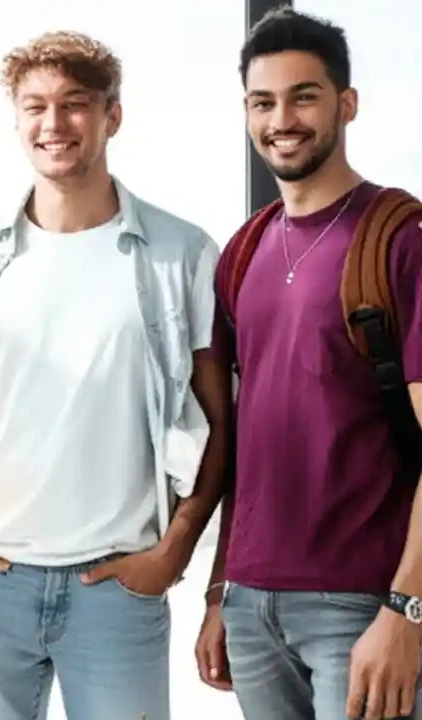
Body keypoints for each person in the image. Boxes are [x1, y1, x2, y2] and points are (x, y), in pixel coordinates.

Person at [0, 30, 230, 720]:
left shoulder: (180, 256)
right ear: (16, 120)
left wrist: (174, 551)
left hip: (117, 586)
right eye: (34, 106)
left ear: (111, 116)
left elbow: (220, 422)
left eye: (74, 104)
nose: (53, 123)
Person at [194, 8, 422, 720]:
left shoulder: (401, 239)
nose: (281, 119)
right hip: (252, 608)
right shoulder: (242, 251)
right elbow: (243, 443)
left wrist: (407, 611)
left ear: (346, 104)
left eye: (304, 96)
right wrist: (219, 592)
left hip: (362, 602)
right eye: (263, 102)